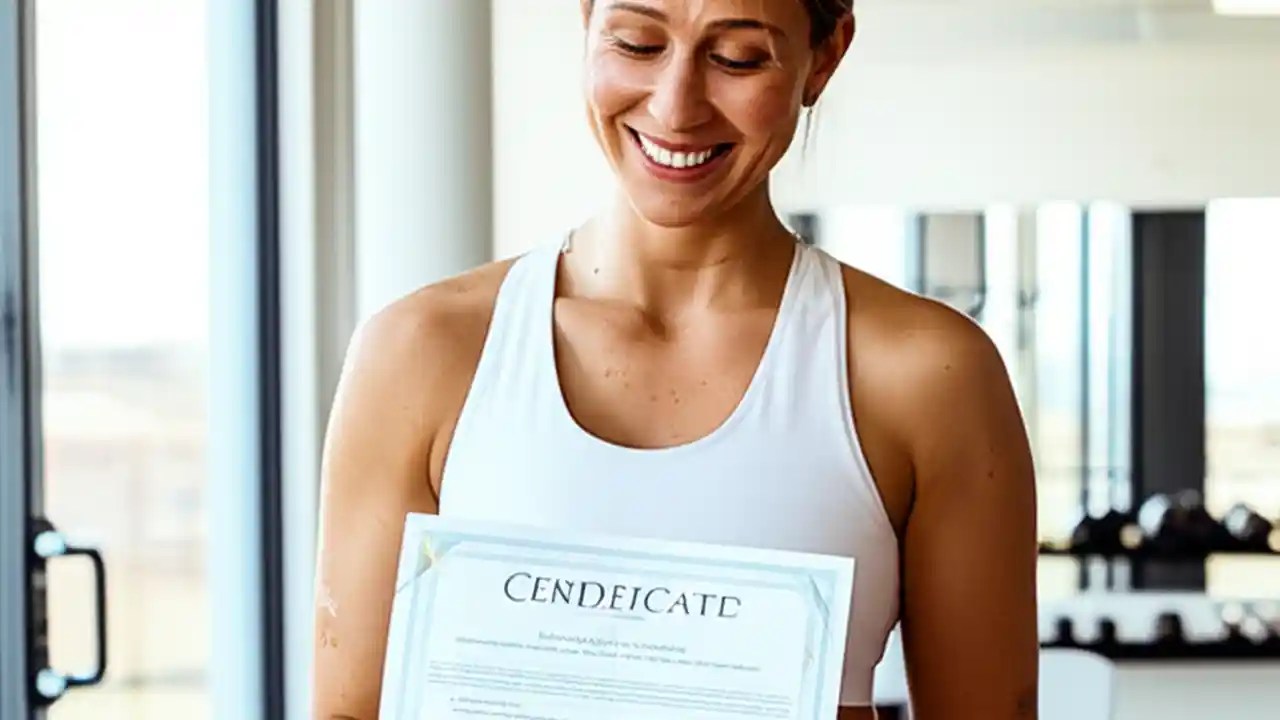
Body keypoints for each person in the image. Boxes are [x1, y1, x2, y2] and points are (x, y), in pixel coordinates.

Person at [313, 0, 1039, 718]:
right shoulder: (421, 353)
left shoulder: (927, 376)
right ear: (587, 23)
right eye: (635, 43)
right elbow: (350, 708)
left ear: (824, 56)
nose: (675, 106)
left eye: (736, 58)